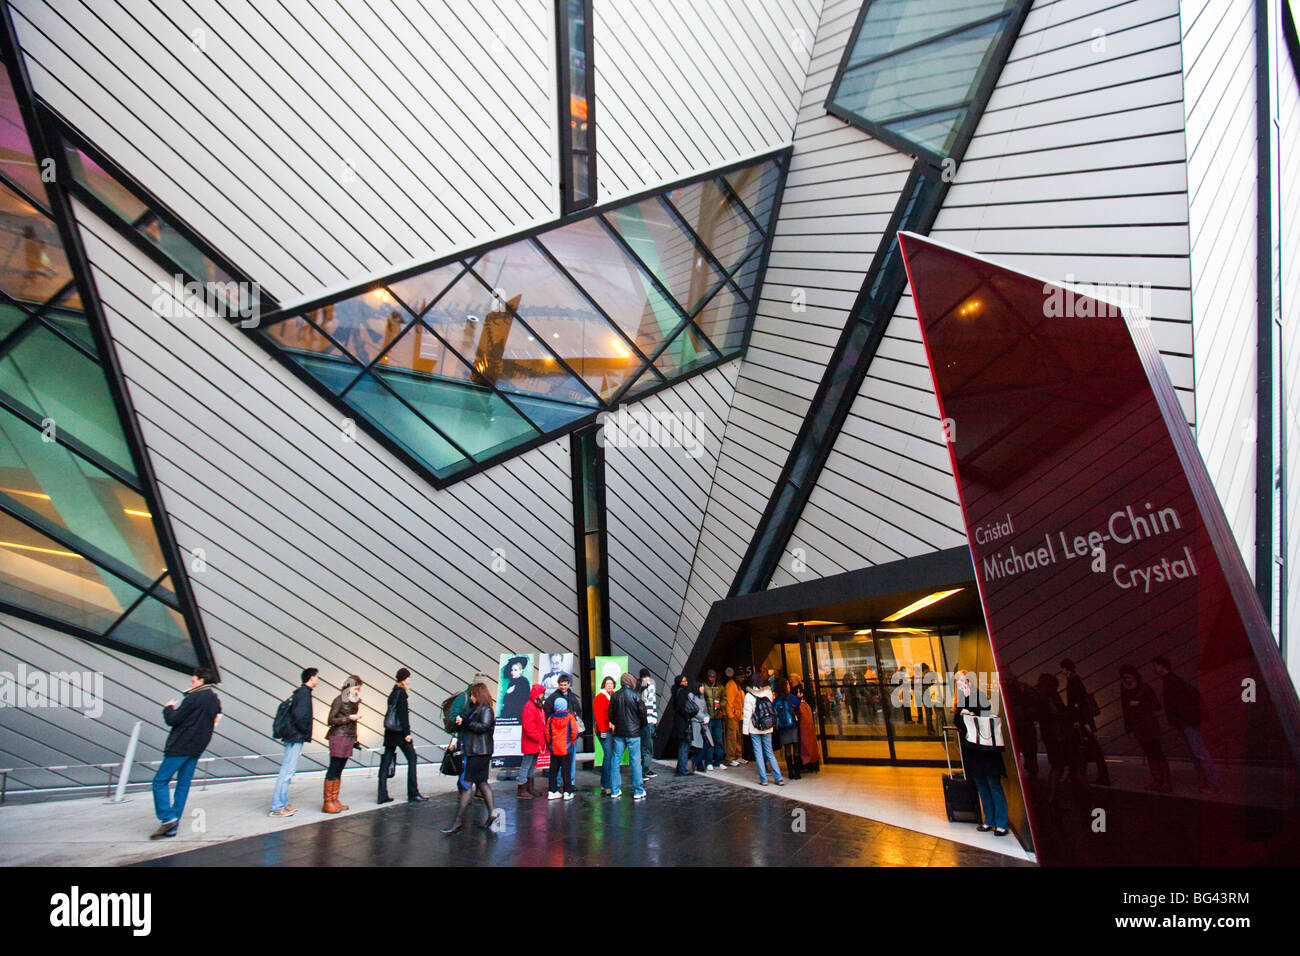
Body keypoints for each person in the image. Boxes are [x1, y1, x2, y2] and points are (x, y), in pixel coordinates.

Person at [151, 666, 221, 839]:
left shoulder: (193, 698)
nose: (192, 682)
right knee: (183, 785)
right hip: (196, 748)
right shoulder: (214, 700)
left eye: (194, 680)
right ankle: (173, 825)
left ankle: (167, 818)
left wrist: (168, 708)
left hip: (180, 746)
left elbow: (173, 719)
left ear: (201, 681)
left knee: (160, 781)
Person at [1152, 656, 1221, 792]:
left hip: (1185, 723)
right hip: (1186, 722)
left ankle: (1213, 784)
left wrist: (1177, 722)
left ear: (1162, 666)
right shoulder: (1174, 680)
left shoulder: (1171, 682)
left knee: (1198, 753)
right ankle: (1206, 782)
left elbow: (1175, 705)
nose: (1154, 668)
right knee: (1197, 753)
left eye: (1155, 665)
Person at [956, 674, 1010, 836]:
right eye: (958, 681)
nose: (960, 684)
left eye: (962, 681)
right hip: (973, 750)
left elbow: (986, 717)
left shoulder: (979, 696)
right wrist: (963, 714)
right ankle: (989, 820)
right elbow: (957, 723)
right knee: (982, 785)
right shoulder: (960, 701)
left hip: (986, 750)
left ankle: (1001, 823)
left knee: (993, 785)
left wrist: (971, 715)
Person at [442, 682, 497, 833]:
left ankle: (458, 821)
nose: (471, 697)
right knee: (482, 783)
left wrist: (465, 722)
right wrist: (463, 722)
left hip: (479, 752)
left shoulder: (485, 710)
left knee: (467, 784)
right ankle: (491, 814)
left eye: (473, 695)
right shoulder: (477, 709)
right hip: (478, 751)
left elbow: (483, 727)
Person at [269, 667, 316, 817]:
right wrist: (304, 730)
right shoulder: (304, 695)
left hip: (293, 735)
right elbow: (300, 716)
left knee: (288, 770)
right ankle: (277, 806)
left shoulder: (300, 693)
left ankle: (282, 803)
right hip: (295, 736)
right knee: (287, 771)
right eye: (316, 677)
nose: (317, 680)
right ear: (311, 678)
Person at [378, 668, 428, 805]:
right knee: (412, 758)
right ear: (405, 678)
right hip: (399, 733)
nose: (409, 680)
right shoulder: (402, 694)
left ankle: (382, 794)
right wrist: (407, 733)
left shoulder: (393, 692)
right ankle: (413, 793)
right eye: (409, 677)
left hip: (390, 732)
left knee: (386, 761)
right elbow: (403, 715)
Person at [1119, 664, 1171, 792]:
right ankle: (1158, 780)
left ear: (1134, 676)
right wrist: (1128, 726)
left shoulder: (1144, 688)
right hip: (1139, 726)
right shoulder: (1126, 691)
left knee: (1157, 753)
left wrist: (1140, 704)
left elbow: (1156, 706)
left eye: (1128, 677)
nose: (1127, 680)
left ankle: (1165, 781)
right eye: (1125, 678)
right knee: (1150, 753)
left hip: (1148, 725)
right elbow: (1125, 709)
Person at [1060, 658, 1109, 785]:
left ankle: (1080, 773)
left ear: (1066, 668)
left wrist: (1076, 719)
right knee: (1085, 744)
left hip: (1079, 719)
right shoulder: (1075, 679)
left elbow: (1076, 701)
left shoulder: (1073, 680)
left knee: (1084, 745)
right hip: (1081, 718)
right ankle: (1082, 773)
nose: (1061, 671)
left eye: (1062, 668)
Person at [323, 675, 363, 813]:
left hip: (348, 736)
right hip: (338, 736)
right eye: (356, 688)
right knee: (334, 767)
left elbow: (353, 722)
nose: (357, 691)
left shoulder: (353, 701)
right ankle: (328, 801)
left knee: (339, 769)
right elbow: (330, 719)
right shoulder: (339, 700)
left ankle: (334, 799)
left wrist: (355, 739)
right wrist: (348, 718)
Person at [608, 673, 648, 800]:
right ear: (630, 682)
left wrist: (617, 724)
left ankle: (615, 790)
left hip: (619, 733)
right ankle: (638, 790)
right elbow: (643, 714)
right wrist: (639, 725)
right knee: (635, 761)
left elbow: (611, 715)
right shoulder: (636, 695)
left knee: (615, 760)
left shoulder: (614, 696)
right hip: (634, 733)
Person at [742, 672, 784, 785]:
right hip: (767, 726)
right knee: (769, 751)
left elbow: (747, 715)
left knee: (758, 752)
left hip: (755, 728)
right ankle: (778, 777)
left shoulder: (749, 695)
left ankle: (764, 779)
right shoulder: (768, 692)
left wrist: (745, 731)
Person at [544, 673, 582, 786]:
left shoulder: (570, 697)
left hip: (565, 735)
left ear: (569, 684)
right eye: (561, 685)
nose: (563, 687)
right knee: (564, 762)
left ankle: (568, 783)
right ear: (558, 684)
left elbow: (578, 713)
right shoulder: (555, 698)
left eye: (565, 685)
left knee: (565, 762)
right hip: (561, 735)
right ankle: (564, 784)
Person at [545, 697, 580, 800]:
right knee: (566, 771)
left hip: (554, 748)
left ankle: (552, 791)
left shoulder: (551, 719)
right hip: (566, 748)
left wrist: (549, 745)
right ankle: (567, 792)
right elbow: (574, 732)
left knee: (553, 770)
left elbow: (547, 733)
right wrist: (572, 742)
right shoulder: (570, 717)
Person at [517, 683, 546, 800]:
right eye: (542, 693)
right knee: (526, 765)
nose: (543, 695)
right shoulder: (530, 706)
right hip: (532, 741)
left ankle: (529, 788)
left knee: (531, 765)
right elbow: (528, 726)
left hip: (536, 742)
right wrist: (538, 738)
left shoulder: (537, 706)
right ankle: (522, 788)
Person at [773, 676, 802, 779]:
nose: (789, 686)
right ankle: (797, 772)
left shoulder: (776, 700)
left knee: (787, 749)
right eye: (788, 684)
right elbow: (798, 706)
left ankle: (790, 772)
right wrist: (799, 698)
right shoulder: (792, 698)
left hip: (783, 728)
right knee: (796, 748)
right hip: (793, 726)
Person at [670, 674, 697, 776]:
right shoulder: (681, 693)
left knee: (683, 745)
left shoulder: (676, 691)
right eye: (684, 681)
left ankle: (680, 768)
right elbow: (682, 708)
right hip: (683, 722)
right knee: (684, 746)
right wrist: (687, 717)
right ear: (680, 683)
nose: (686, 682)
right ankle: (682, 769)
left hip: (679, 722)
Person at [594, 675, 617, 795]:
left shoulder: (613, 695)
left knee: (608, 756)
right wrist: (602, 731)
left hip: (611, 730)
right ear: (603, 685)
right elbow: (598, 716)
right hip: (604, 731)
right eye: (607, 683)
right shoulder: (600, 697)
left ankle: (604, 784)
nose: (609, 685)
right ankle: (607, 785)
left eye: (611, 683)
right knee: (608, 756)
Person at [792, 675, 820, 773]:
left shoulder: (797, 691)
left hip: (802, 717)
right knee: (805, 740)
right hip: (804, 717)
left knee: (803, 740)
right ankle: (807, 762)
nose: (790, 680)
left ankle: (804, 762)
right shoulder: (800, 690)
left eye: (792, 679)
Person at [701, 669, 727, 770]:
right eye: (710, 676)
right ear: (707, 677)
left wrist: (720, 705)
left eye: (714, 677)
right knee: (708, 740)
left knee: (718, 740)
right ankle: (708, 762)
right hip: (708, 717)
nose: (712, 678)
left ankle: (718, 761)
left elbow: (725, 699)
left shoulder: (720, 687)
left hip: (717, 716)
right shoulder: (704, 686)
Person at [689, 682, 714, 772]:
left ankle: (697, 762)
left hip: (703, 724)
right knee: (700, 744)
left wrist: (707, 717)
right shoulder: (692, 696)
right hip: (696, 723)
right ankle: (697, 762)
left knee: (706, 743)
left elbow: (705, 710)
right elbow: (693, 710)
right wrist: (703, 717)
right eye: (701, 686)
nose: (703, 688)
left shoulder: (702, 697)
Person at [639, 668, 659, 778]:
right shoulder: (649, 687)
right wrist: (654, 719)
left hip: (643, 721)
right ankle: (645, 770)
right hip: (649, 720)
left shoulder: (640, 688)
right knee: (648, 747)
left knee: (644, 746)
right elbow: (650, 704)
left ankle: (644, 769)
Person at [723, 668, 746, 766]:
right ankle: (730, 758)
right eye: (742, 677)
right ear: (737, 678)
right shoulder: (731, 686)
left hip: (738, 715)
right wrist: (731, 716)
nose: (743, 679)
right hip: (732, 716)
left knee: (738, 736)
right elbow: (729, 702)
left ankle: (738, 755)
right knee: (731, 737)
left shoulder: (737, 685)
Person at [500, 655, 531, 722]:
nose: (512, 672)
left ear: (521, 671)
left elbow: (523, 700)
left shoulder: (523, 682)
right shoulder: (512, 682)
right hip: (510, 714)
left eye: (515, 670)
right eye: (512, 670)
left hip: (517, 715)